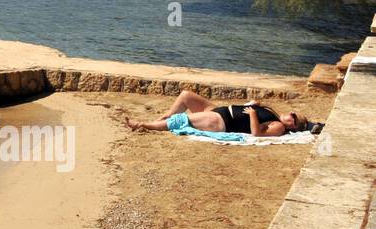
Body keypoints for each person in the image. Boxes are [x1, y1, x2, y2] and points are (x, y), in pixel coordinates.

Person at [125, 89, 316, 137]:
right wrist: (252, 105)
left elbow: (257, 134)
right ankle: (158, 120)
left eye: (294, 119)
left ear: (293, 126)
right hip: (219, 110)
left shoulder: (279, 127)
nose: (289, 117)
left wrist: (252, 114)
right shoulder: (272, 111)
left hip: (222, 122)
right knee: (185, 96)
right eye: (292, 114)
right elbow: (248, 108)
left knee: (181, 119)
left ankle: (143, 125)